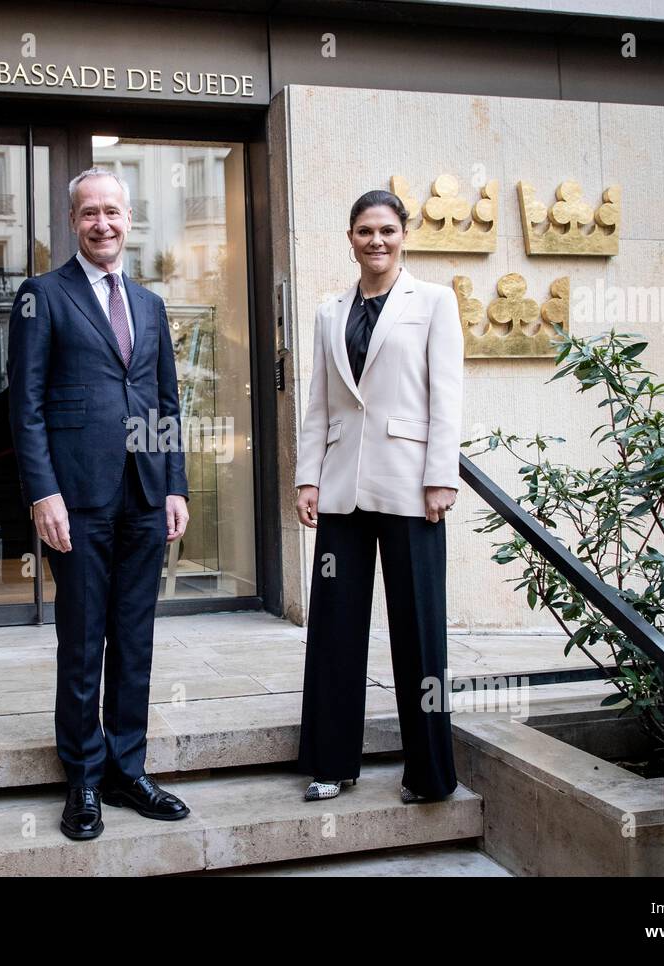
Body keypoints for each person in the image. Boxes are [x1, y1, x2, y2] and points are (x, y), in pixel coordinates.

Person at [7, 167, 191, 841]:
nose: (103, 223)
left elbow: (168, 402)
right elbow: (24, 407)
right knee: (83, 643)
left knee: (135, 640)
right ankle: (83, 778)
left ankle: (127, 768)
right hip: (77, 500)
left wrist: (176, 484)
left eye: (113, 212)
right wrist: (42, 493)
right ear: (74, 222)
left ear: (129, 218)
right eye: (90, 213)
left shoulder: (149, 304)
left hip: (145, 495)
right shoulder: (42, 297)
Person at [293, 189, 464, 805]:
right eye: (365, 231)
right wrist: (306, 477)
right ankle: (330, 763)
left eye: (387, 230)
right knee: (335, 631)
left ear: (404, 234)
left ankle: (429, 774)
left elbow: (447, 396)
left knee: (419, 631)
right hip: (342, 489)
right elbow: (319, 404)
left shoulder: (435, 303)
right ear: (350, 237)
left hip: (412, 487)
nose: (377, 241)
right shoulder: (327, 311)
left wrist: (441, 475)